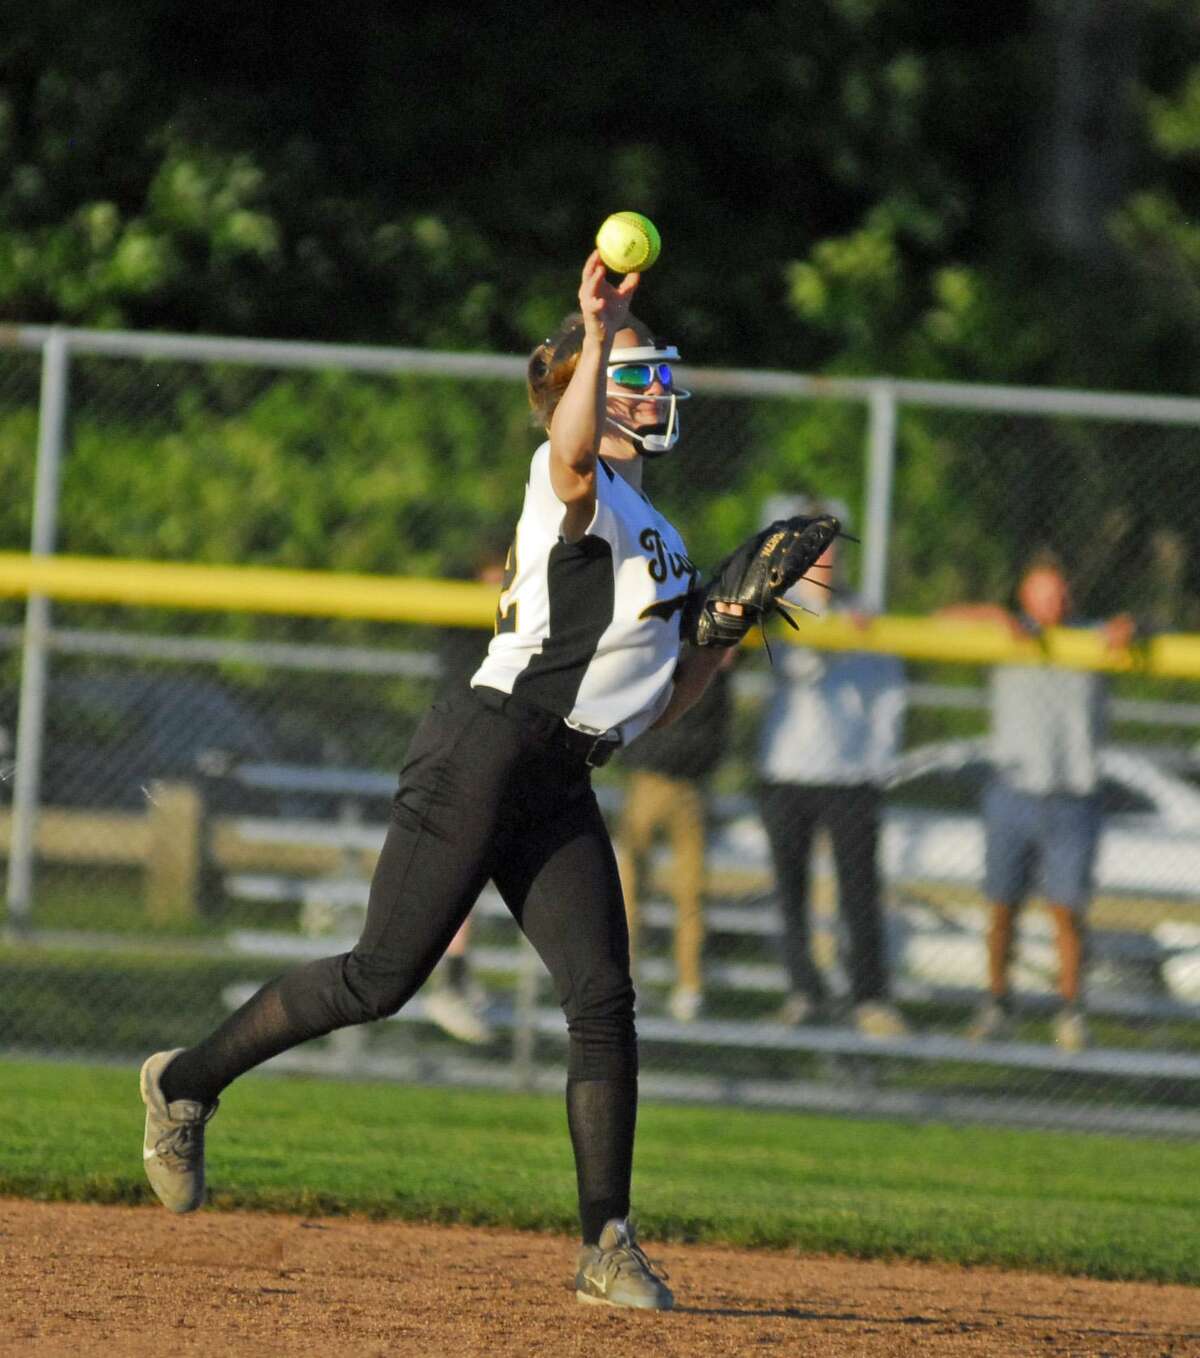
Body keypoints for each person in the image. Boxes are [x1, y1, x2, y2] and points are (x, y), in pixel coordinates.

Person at [138, 248, 752, 1312]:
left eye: (655, 373)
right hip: (484, 746)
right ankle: (184, 1081)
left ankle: (607, 1241)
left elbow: (657, 705)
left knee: (603, 998)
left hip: (565, 771)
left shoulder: (659, 530)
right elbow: (567, 449)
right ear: (584, 387)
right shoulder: (571, 481)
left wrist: (729, 632)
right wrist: (596, 326)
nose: (659, 390)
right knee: (381, 977)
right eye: (637, 373)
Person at [941, 550, 1136, 1052]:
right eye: (1041, 593)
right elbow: (939, 622)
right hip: (1013, 790)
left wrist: (1133, 626)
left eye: (1059, 591)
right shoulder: (1007, 634)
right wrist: (992, 617)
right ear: (1025, 595)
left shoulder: (1093, 636)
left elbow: (1146, 628)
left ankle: (1070, 1011)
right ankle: (997, 1002)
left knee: (1066, 911)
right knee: (1001, 907)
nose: (1052, 602)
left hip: (1073, 796)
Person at [756, 496, 910, 1039]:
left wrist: (880, 760)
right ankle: (805, 991)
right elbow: (804, 663)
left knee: (860, 893)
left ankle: (870, 997)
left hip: (850, 776)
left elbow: (889, 691)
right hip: (787, 771)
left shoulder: (864, 607)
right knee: (789, 892)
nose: (823, 558)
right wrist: (823, 607)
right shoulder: (776, 602)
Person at [615, 647, 735, 1023]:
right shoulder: (662, 625)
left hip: (691, 784)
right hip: (649, 777)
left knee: (691, 892)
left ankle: (688, 984)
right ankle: (628, 979)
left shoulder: (720, 626)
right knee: (629, 889)